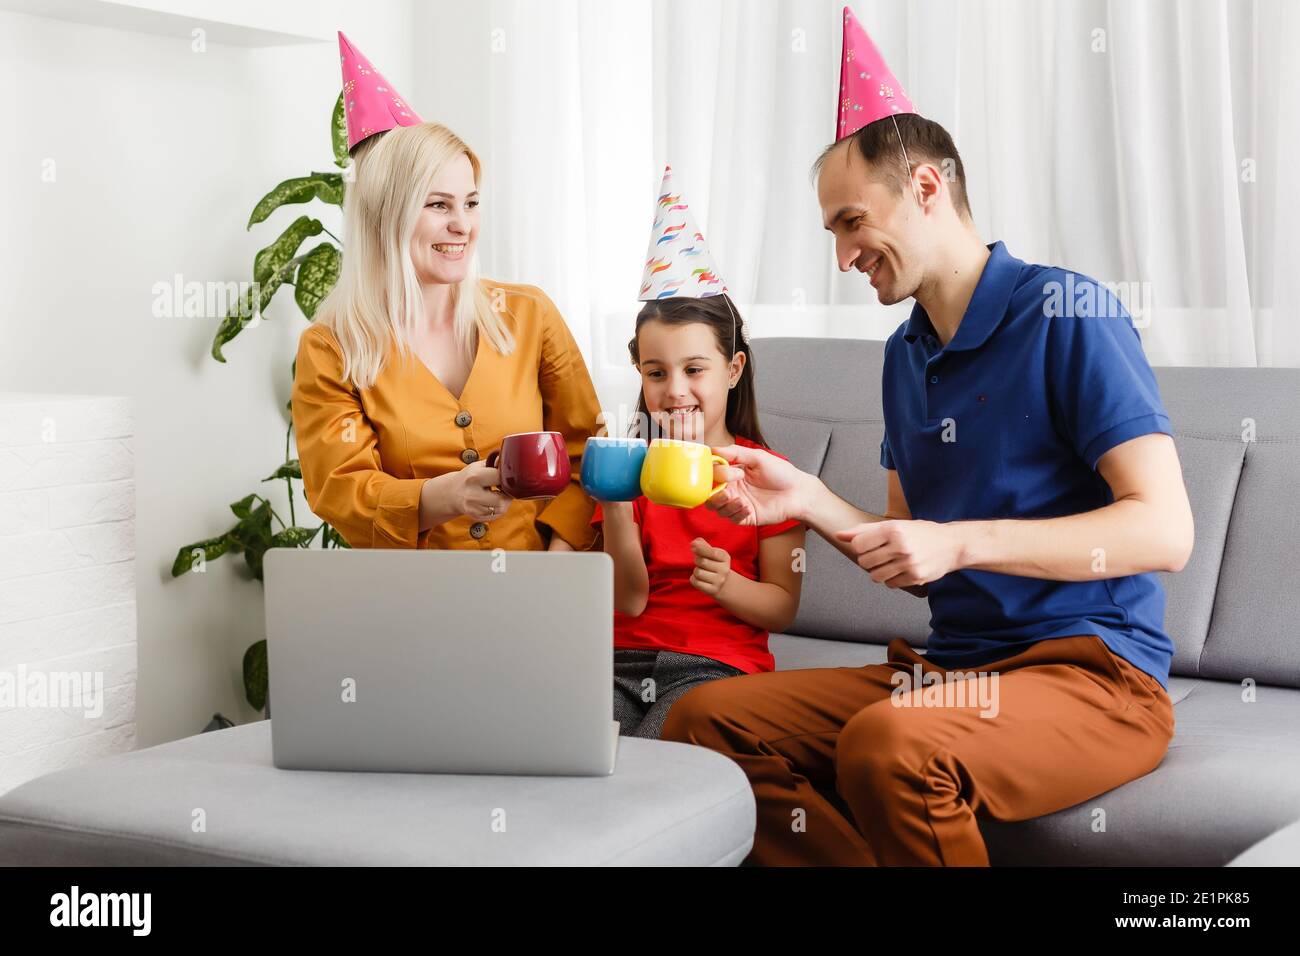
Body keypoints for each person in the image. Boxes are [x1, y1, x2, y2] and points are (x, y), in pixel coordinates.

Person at [661, 8, 1193, 866]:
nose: (842, 257)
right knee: (699, 721)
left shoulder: (1070, 312)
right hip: (952, 672)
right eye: (831, 231)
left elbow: (1164, 532)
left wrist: (957, 542)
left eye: (850, 222)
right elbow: (915, 561)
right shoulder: (904, 356)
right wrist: (809, 501)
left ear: (927, 188)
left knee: (891, 745)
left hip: (1095, 677)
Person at [293, 33, 601, 553]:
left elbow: (584, 452)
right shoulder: (333, 348)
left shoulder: (528, 314)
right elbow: (339, 487)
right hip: (415, 600)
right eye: (438, 205)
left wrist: (557, 565)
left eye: (471, 203)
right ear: (384, 216)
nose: (462, 225)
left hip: (541, 583)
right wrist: (443, 496)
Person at [592, 168, 806, 739]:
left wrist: (729, 585)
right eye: (656, 373)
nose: (675, 390)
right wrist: (615, 504)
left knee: (658, 754)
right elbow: (628, 602)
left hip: (718, 668)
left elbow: (783, 607)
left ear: (733, 370)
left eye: (694, 370)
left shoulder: (766, 475)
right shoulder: (627, 469)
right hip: (620, 663)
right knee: (588, 746)